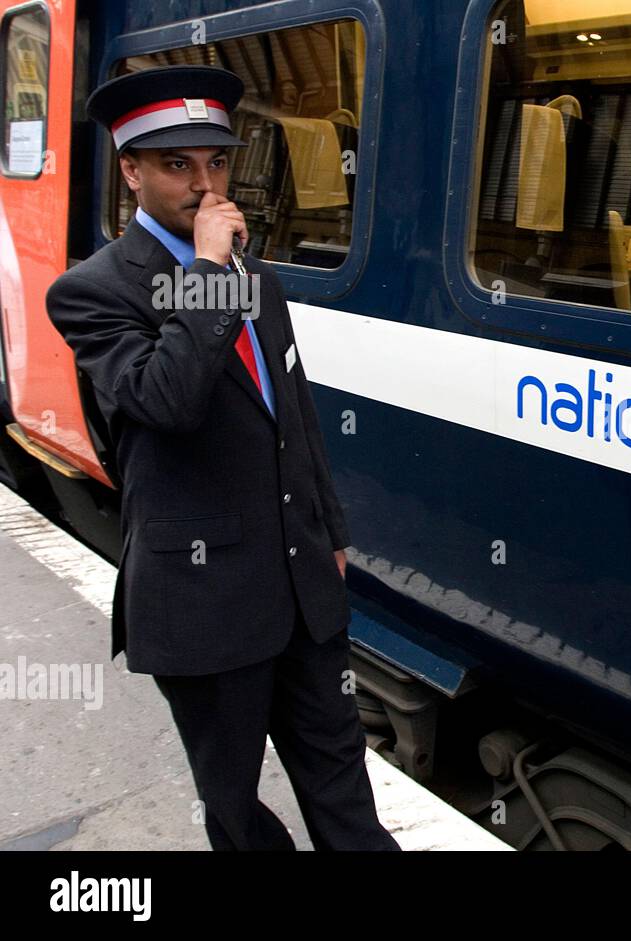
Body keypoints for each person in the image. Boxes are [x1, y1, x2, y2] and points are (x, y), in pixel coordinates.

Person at [44, 65, 399, 851]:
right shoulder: (93, 290)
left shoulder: (255, 279)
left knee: (343, 782)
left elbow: (293, 413)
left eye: (217, 162)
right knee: (235, 806)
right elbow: (166, 402)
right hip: (201, 596)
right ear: (130, 171)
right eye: (177, 165)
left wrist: (329, 526)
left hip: (299, 577)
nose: (204, 185)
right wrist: (206, 272)